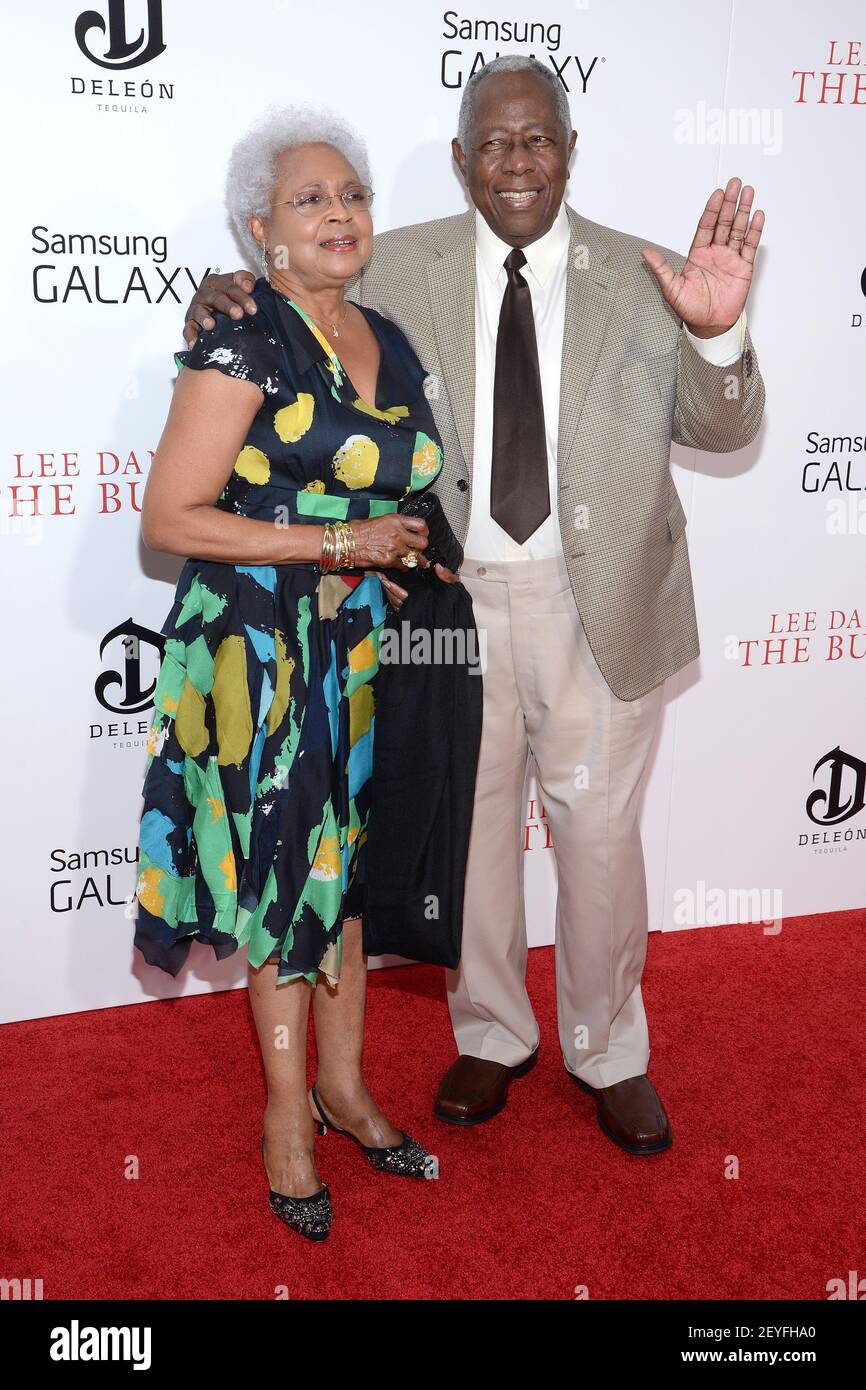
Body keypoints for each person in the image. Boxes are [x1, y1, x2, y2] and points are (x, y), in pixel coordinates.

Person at [184, 56, 766, 1157]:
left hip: (597, 597)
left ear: (569, 151)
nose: (515, 161)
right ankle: (493, 1033)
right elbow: (287, 322)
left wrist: (716, 333)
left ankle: (606, 1048)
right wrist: (214, 293)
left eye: (535, 138)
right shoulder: (394, 263)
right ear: (459, 160)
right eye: (492, 142)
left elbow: (723, 426)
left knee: (596, 839)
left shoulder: (646, 273)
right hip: (447, 601)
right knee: (472, 833)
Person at [135, 106, 449, 1242]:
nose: (338, 213)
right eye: (309, 199)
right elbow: (170, 516)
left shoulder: (389, 334)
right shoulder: (242, 338)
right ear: (259, 229)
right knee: (283, 888)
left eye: (351, 195)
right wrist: (335, 546)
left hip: (355, 647)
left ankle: (347, 1087)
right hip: (254, 652)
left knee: (344, 880)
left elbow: (383, 486)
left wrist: (394, 551)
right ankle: (285, 1117)